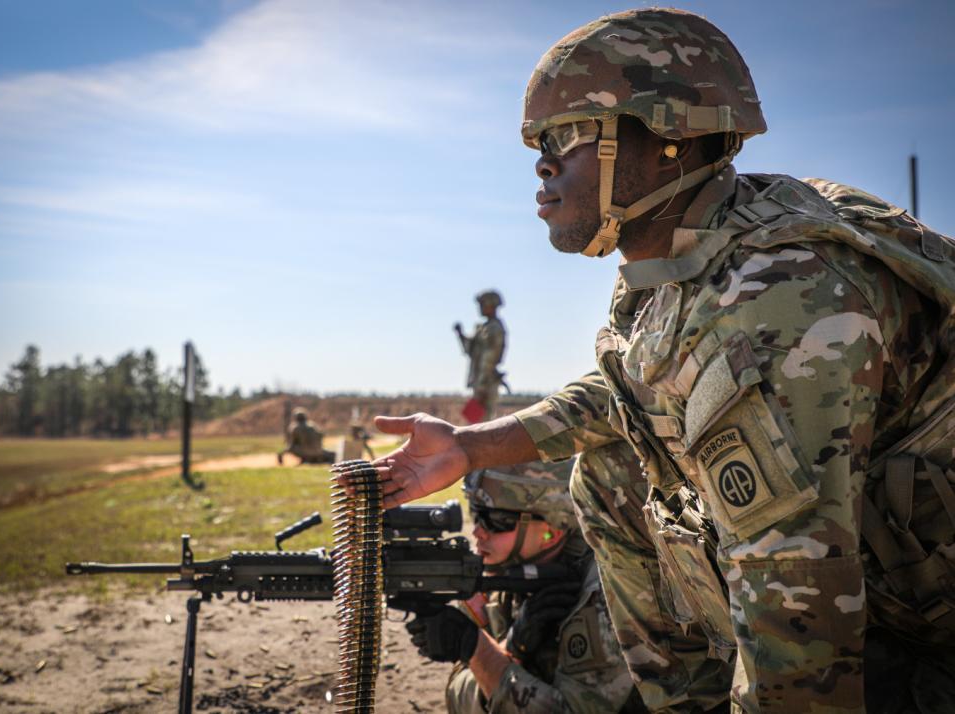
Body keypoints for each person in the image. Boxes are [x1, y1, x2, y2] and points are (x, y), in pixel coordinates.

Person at [373, 8, 955, 713]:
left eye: (567, 135)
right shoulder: (694, 257)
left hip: (923, 630)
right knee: (610, 470)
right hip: (903, 582)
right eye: (538, 142)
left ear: (669, 140)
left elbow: (801, 633)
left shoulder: (782, 298)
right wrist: (471, 448)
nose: (542, 163)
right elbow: (628, 385)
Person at [405, 456, 644, 713]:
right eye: (476, 514)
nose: (477, 532)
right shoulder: (496, 577)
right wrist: (510, 649)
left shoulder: (607, 590)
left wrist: (479, 651)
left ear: (551, 532)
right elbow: (458, 698)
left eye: (495, 520)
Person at [455, 290, 507, 423]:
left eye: (483, 304)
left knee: (482, 425)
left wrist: (483, 385)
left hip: (486, 382)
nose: (480, 308)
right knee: (474, 423)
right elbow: (470, 350)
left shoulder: (494, 328)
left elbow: (490, 357)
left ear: (491, 305)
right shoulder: (482, 328)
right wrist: (460, 335)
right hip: (480, 381)